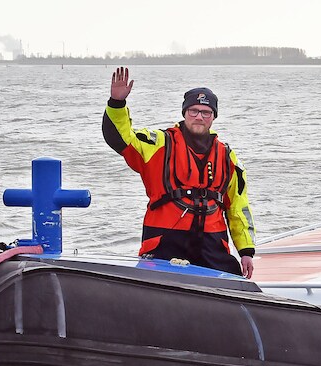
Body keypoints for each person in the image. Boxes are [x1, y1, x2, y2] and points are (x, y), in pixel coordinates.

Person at [102, 67, 255, 278]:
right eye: (193, 111)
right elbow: (122, 139)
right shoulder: (159, 143)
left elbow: (238, 207)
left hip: (212, 245)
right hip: (165, 242)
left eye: (206, 112)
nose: (199, 117)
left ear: (213, 117)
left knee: (236, 285)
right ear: (184, 113)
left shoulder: (228, 157)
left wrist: (246, 251)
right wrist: (117, 103)